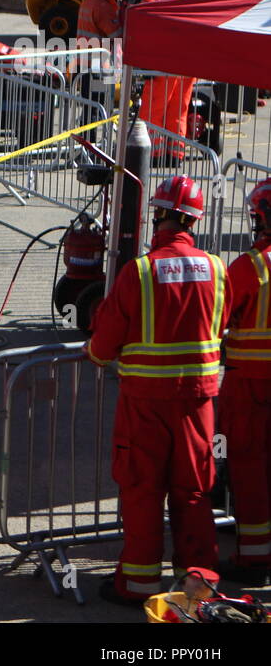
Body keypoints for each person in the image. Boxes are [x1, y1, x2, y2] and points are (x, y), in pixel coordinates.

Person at [88, 176, 230, 605]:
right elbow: (219, 327)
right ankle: (199, 588)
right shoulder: (218, 268)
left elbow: (104, 341)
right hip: (198, 402)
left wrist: (94, 354)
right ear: (194, 219)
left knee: (143, 490)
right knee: (194, 491)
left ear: (161, 216)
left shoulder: (141, 271)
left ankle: (139, 585)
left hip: (145, 404)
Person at [217, 178, 271, 584]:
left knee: (250, 469)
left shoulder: (249, 266)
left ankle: (254, 558)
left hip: (251, 386)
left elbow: (219, 319)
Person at [137, 0, 194, 163]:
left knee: (153, 110)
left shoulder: (151, 2)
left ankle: (152, 154)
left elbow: (142, 38)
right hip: (188, 65)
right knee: (179, 110)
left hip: (162, 65)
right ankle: (175, 155)